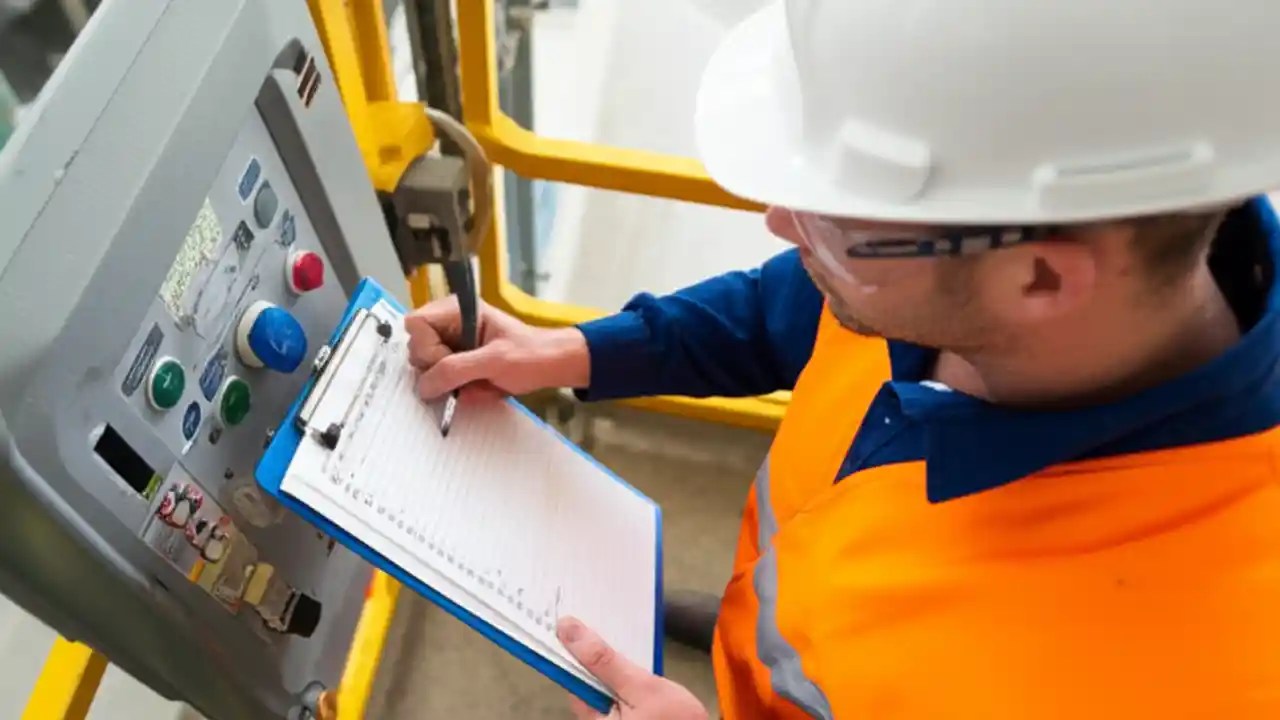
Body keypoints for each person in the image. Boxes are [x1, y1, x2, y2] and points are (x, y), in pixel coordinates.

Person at [406, 0, 1280, 717]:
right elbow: (779, 312)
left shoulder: (1188, 683)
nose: (781, 224)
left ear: (1042, 277)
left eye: (834, 212)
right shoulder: (957, 287)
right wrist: (572, 350)